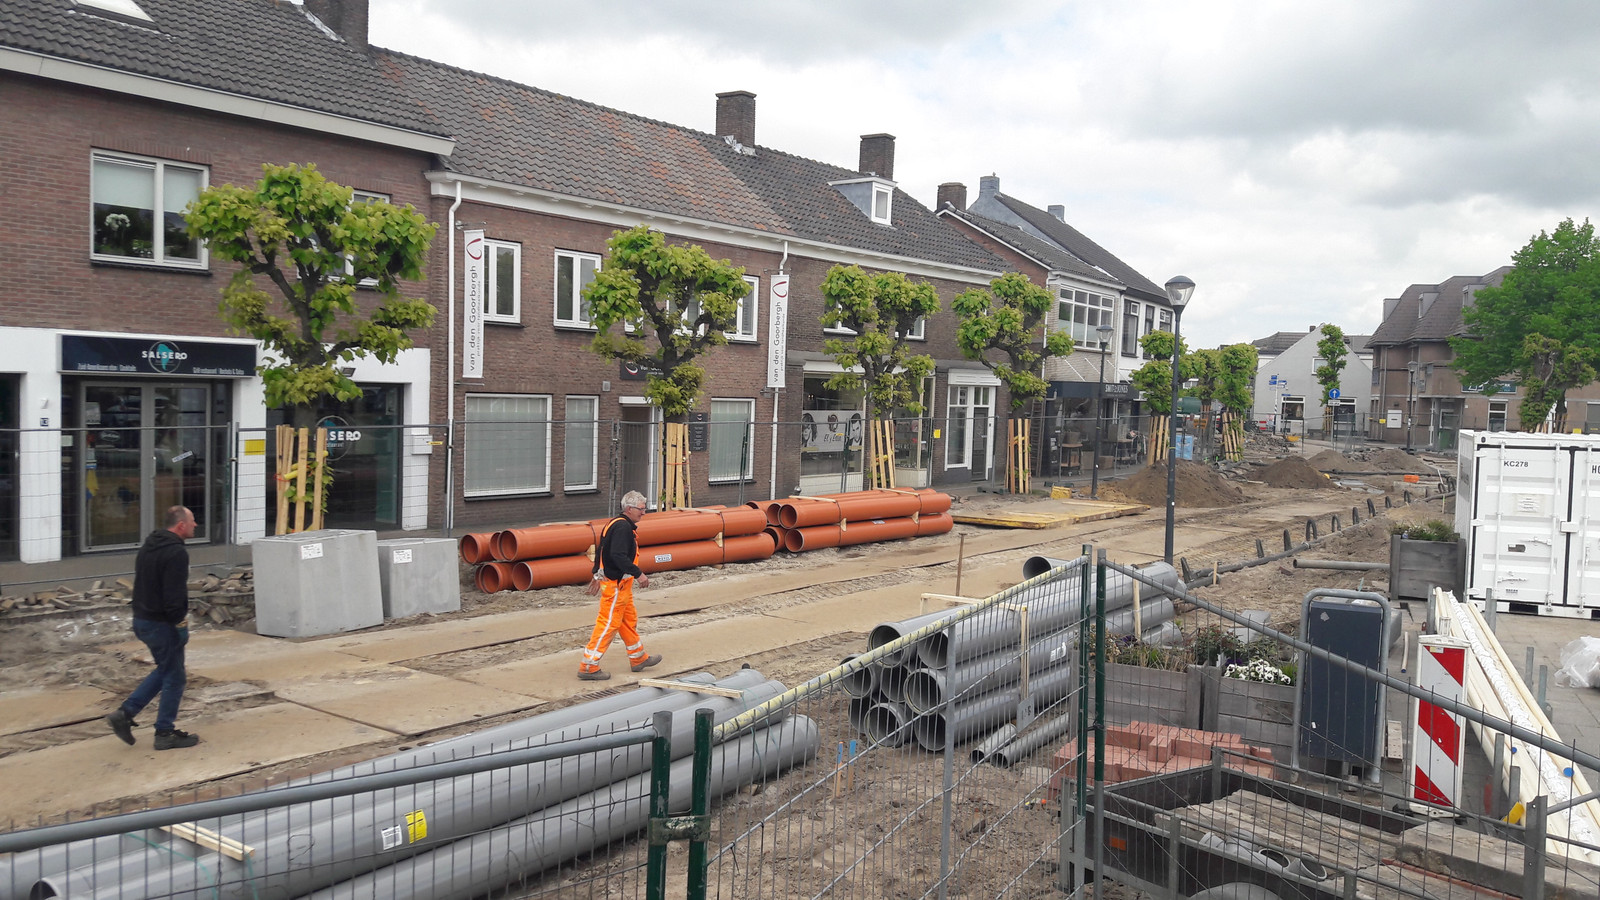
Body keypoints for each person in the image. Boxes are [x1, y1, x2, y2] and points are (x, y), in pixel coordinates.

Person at [106, 505, 200, 750]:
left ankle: (126, 714)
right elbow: (174, 594)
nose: (196, 525)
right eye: (192, 521)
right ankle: (164, 733)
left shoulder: (150, 545)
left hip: (143, 619)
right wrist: (180, 624)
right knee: (175, 677)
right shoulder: (176, 553)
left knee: (167, 669)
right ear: (181, 525)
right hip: (162, 623)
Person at [578, 491, 662, 681]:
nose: (644, 513)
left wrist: (597, 572)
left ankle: (638, 658)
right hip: (617, 585)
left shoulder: (615, 524)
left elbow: (602, 549)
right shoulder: (623, 528)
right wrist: (638, 573)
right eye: (641, 509)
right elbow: (617, 555)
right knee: (609, 623)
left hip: (619, 584)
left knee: (627, 620)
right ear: (630, 509)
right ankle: (588, 666)